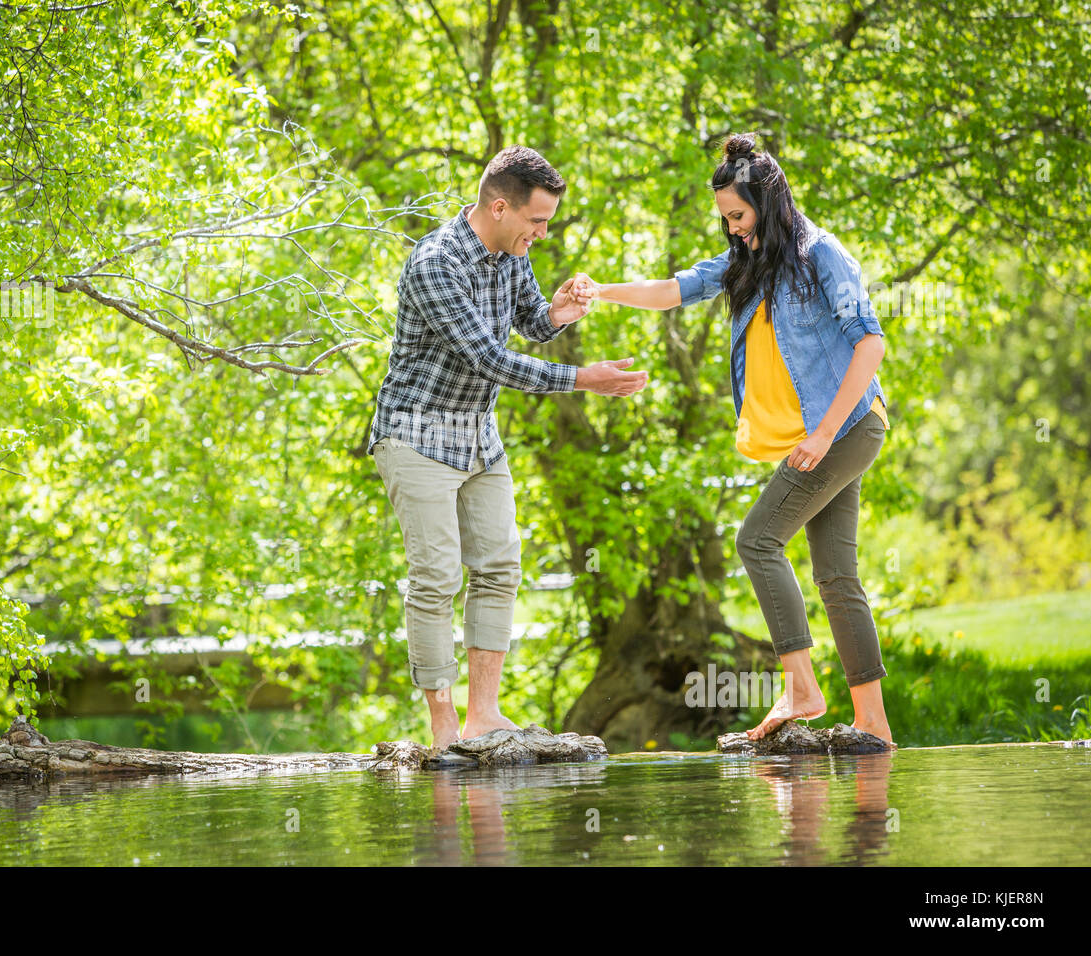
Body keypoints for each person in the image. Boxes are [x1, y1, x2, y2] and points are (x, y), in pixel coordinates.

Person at [574, 133, 895, 746]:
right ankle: (873, 723)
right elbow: (674, 288)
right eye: (724, 218)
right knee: (836, 576)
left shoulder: (823, 255)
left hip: (848, 428)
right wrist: (602, 292)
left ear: (767, 204)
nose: (732, 228)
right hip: (826, 437)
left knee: (757, 539)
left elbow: (870, 343)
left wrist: (824, 434)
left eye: (739, 215)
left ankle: (801, 686)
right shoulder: (746, 263)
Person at [368, 145, 648, 750]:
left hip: (477, 434)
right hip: (416, 432)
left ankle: (483, 716)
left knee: (498, 567)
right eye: (537, 221)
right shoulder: (437, 263)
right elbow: (490, 359)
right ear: (500, 206)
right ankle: (443, 730)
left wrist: (561, 313)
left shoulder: (509, 251)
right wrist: (584, 380)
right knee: (436, 577)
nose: (542, 235)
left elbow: (528, 321)